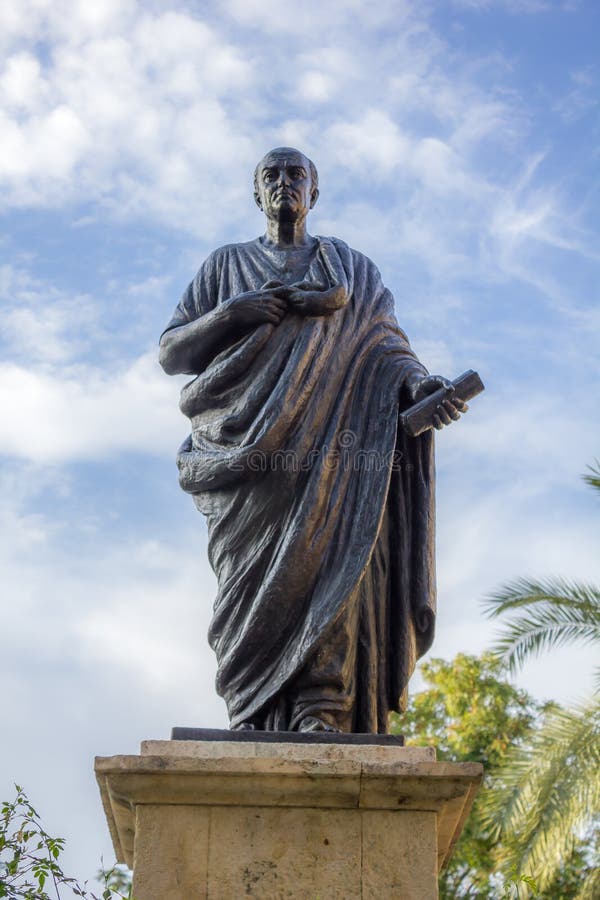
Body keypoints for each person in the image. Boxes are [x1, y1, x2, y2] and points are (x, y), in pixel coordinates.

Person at [159, 147, 466, 733]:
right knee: (249, 583)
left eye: (295, 174)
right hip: (250, 463)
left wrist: (424, 388)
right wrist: (233, 313)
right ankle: (251, 707)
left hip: (337, 453)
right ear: (256, 193)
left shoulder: (353, 271)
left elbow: (389, 350)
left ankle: (319, 707)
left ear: (314, 191)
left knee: (335, 564)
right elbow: (173, 352)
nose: (283, 184)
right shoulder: (226, 268)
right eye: (270, 176)